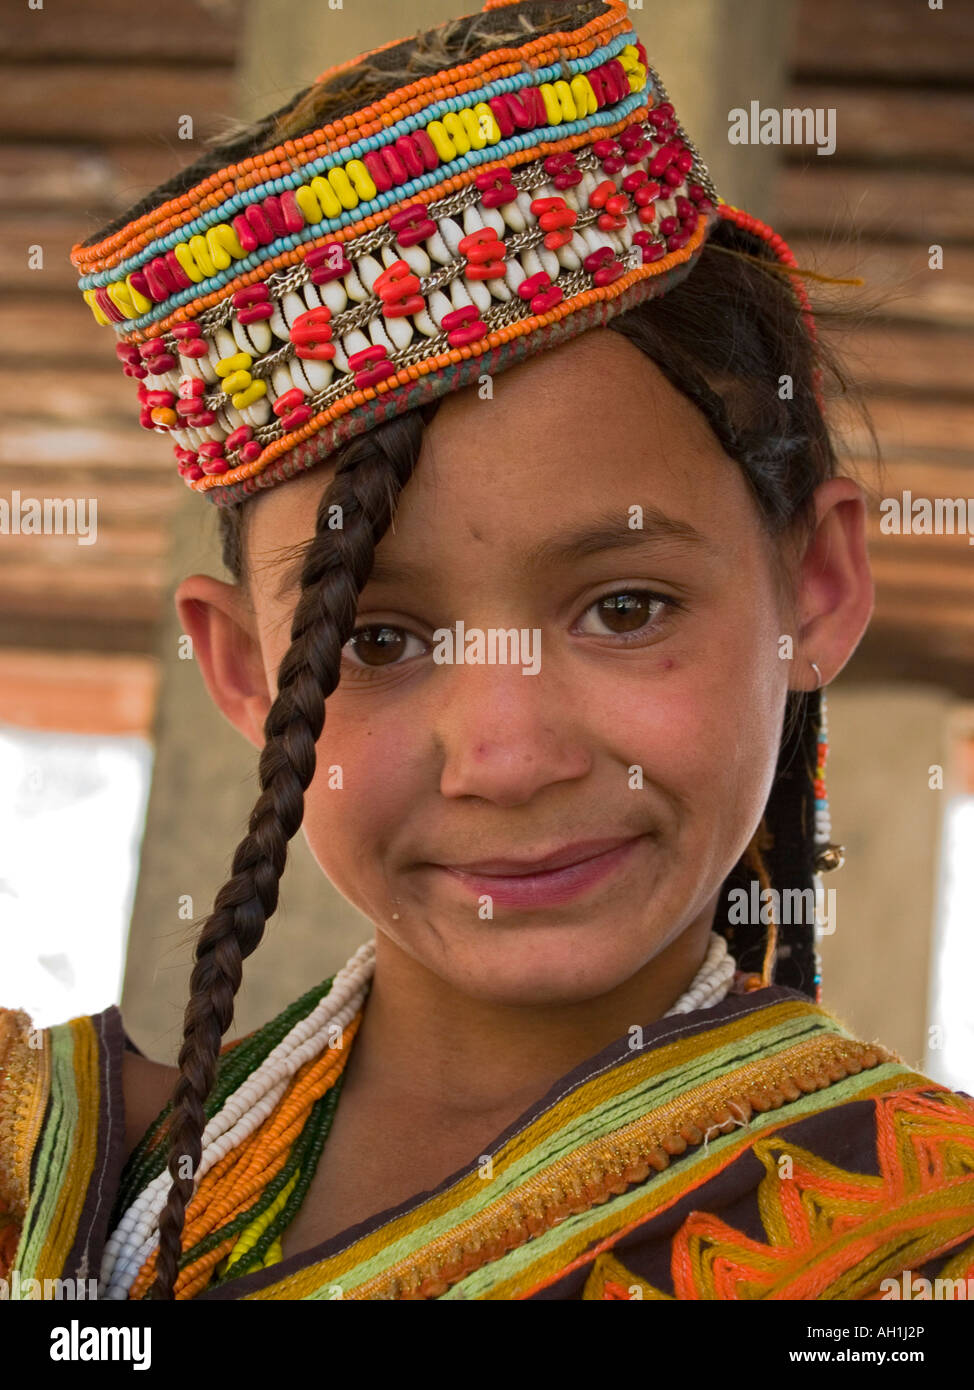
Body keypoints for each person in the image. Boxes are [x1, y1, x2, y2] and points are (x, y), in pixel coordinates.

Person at [3, 0, 973, 1302]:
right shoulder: (50, 1173)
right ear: (241, 668)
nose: (506, 757)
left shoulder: (921, 1253)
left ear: (815, 584)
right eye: (380, 636)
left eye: (622, 608)